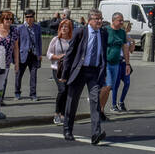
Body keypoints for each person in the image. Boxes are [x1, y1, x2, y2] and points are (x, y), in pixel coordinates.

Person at [60, 9, 107, 143]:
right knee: (72, 101)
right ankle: (67, 129)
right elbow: (69, 54)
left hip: (94, 72)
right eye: (96, 18)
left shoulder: (103, 33)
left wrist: (103, 73)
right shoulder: (80, 32)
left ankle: (96, 133)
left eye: (100, 18)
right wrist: (65, 74)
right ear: (89, 20)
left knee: (95, 101)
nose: (99, 21)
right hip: (79, 71)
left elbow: (103, 54)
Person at [101, 11, 131, 114]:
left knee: (111, 87)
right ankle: (97, 105)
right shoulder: (106, 31)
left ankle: (101, 109)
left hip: (116, 63)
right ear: (113, 21)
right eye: (120, 20)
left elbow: (125, 48)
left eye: (122, 20)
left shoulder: (122, 33)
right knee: (108, 85)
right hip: (106, 63)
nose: (122, 22)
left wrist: (127, 64)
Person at [47, 17, 74, 125]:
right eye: (62, 26)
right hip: (57, 69)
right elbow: (48, 54)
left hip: (68, 69)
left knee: (67, 92)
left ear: (70, 29)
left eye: (66, 27)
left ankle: (63, 115)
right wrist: (58, 57)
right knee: (62, 90)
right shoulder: (55, 40)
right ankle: (56, 114)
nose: (63, 28)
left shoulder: (72, 40)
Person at [13, 9, 41, 100]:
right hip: (23, 55)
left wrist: (39, 54)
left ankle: (33, 94)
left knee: (33, 75)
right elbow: (17, 43)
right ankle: (17, 93)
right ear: (25, 18)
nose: (29, 19)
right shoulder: (20, 28)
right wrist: (16, 56)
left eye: (31, 17)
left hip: (33, 54)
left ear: (34, 17)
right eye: (27, 17)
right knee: (19, 74)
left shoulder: (37, 27)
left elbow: (39, 41)